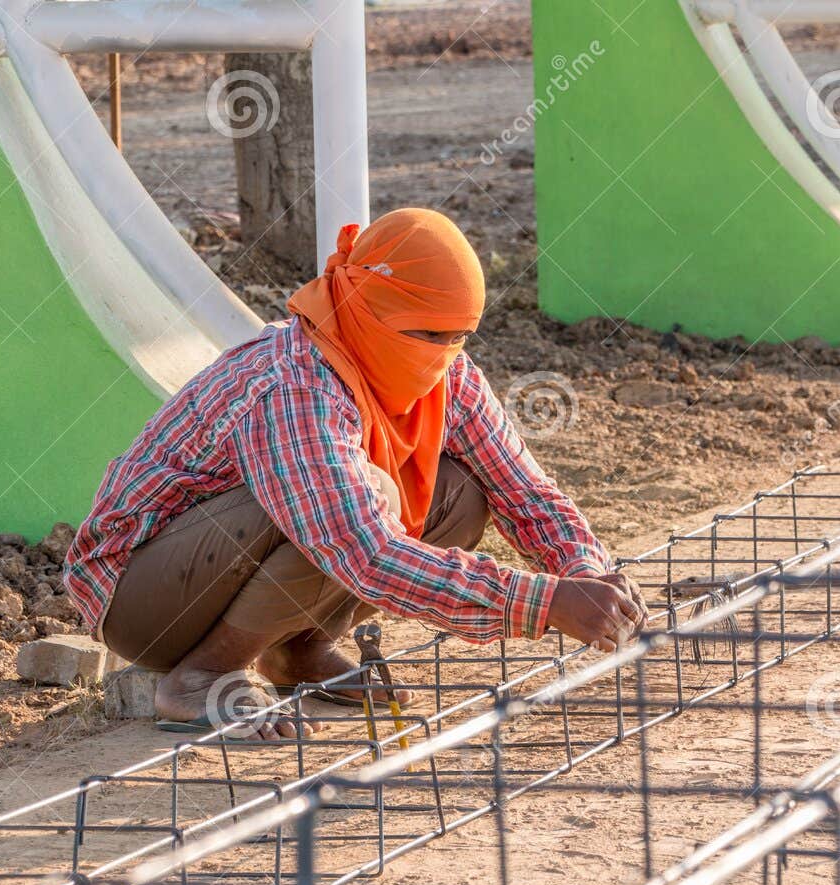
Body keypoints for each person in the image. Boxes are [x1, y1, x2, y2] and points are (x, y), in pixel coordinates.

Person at [65, 208, 645, 736]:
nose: (443, 353)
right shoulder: (295, 383)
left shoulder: (449, 376)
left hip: (232, 565)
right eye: (426, 334)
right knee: (365, 498)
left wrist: (587, 575)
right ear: (368, 308)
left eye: (458, 336)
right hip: (142, 594)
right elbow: (363, 549)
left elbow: (525, 490)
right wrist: (543, 602)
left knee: (462, 493)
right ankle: (199, 678)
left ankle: (298, 651)